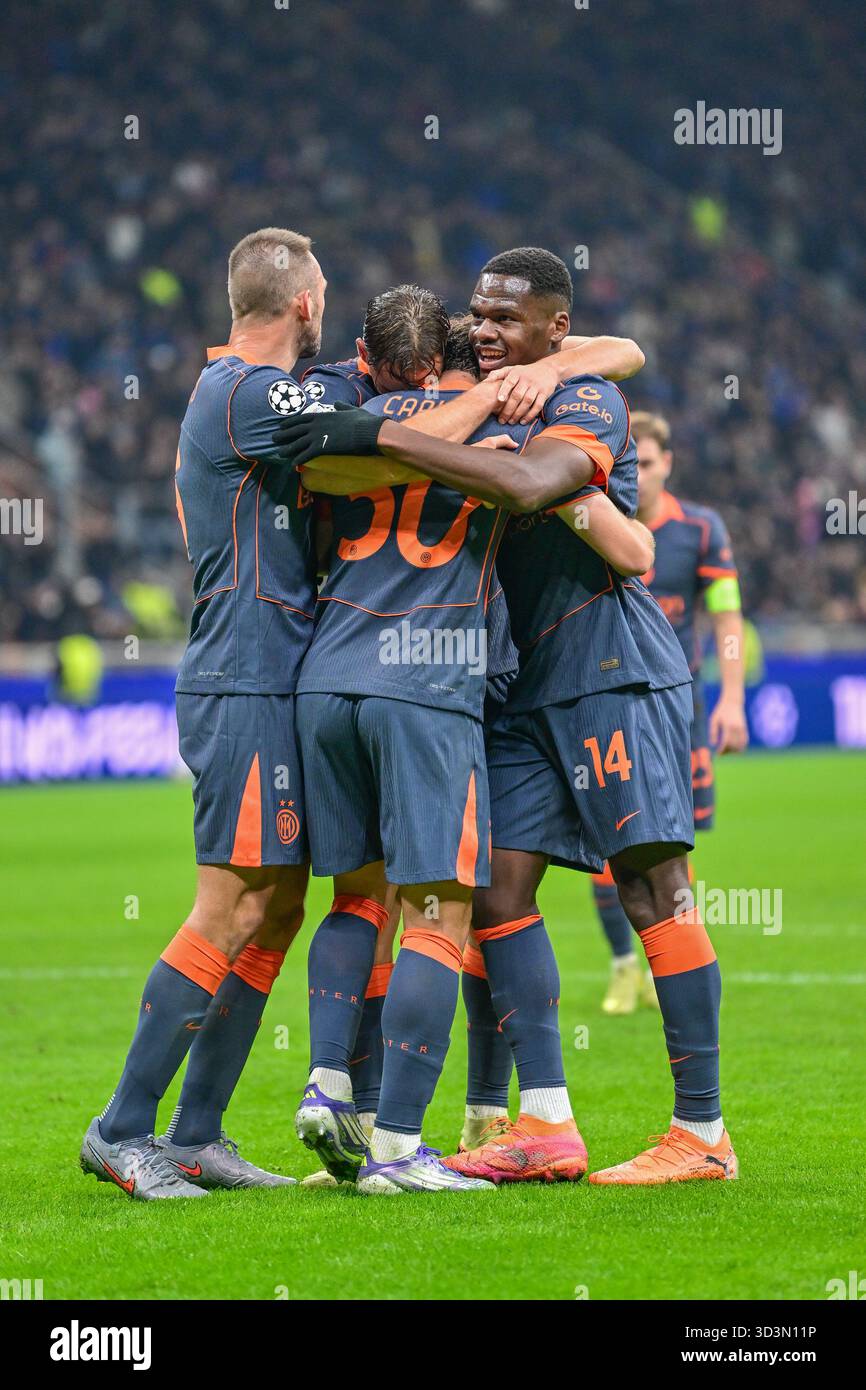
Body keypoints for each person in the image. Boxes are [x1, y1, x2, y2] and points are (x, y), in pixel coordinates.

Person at [278, 247, 738, 1187]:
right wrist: (470, 409)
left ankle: (703, 1133)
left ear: (553, 330)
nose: (483, 329)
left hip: (607, 663)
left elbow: (537, 484)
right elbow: (618, 349)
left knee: (653, 889)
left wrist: (393, 443)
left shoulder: (585, 401)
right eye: (477, 313)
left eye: (505, 319)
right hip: (516, 683)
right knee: (494, 897)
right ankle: (546, 1122)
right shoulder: (489, 385)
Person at [80, 227, 326, 1198]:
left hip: (274, 677)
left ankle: (196, 1132)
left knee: (278, 903)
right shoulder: (241, 394)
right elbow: (358, 419)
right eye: (323, 294)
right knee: (227, 904)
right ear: (303, 303)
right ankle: (120, 1127)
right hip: (241, 680)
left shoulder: (248, 399)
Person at [593, 410, 748, 1016]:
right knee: (609, 845)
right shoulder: (600, 519)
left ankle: (666, 963)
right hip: (608, 706)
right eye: (634, 462)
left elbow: (727, 618)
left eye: (650, 462)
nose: (642, 473)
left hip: (677, 710)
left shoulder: (702, 529)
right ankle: (624, 965)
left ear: (668, 463)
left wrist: (733, 698)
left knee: (671, 848)